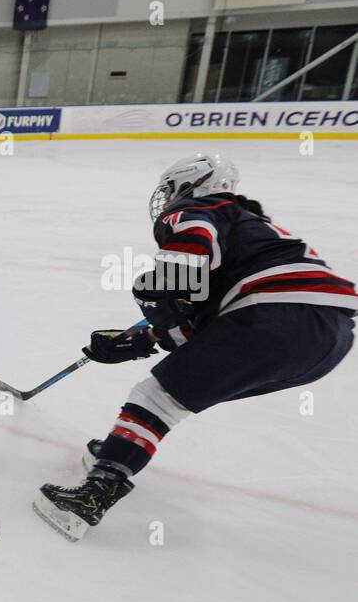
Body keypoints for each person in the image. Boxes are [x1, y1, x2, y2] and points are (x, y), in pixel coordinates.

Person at [35, 154, 356, 541]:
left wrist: (162, 298)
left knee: (158, 394)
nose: (167, 201)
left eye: (171, 191)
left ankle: (95, 494)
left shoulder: (201, 208)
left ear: (191, 185)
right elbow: (209, 333)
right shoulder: (251, 232)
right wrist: (144, 341)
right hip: (329, 340)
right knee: (181, 392)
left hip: (275, 316)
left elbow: (187, 257)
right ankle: (121, 448)